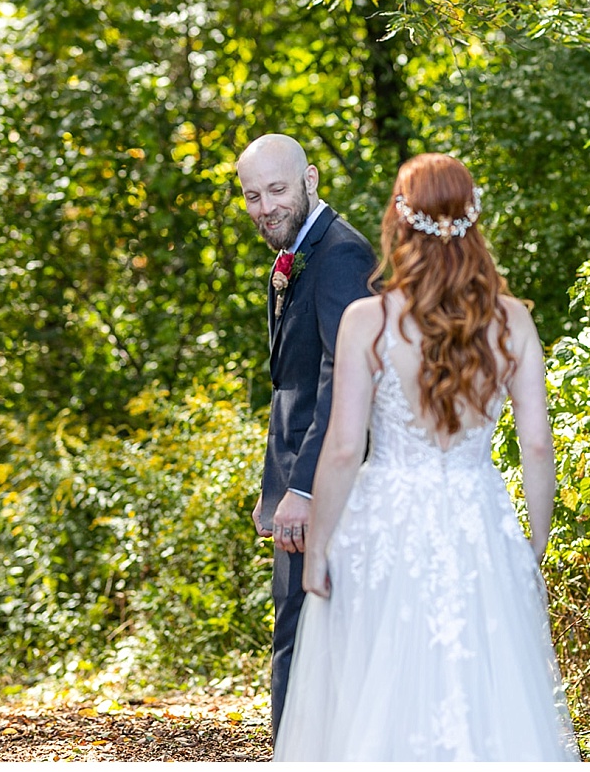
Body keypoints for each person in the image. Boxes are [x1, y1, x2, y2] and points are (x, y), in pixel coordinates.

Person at [273, 153, 580, 761]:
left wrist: (320, 553)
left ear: (399, 219)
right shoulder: (511, 321)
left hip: (387, 520)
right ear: (473, 217)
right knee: (482, 690)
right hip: (478, 521)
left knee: (382, 683)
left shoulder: (370, 320)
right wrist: (533, 547)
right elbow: (538, 444)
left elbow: (340, 448)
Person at [235, 134, 377, 741]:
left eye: (278, 190)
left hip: (323, 487)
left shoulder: (339, 253)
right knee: (301, 628)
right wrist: (275, 485)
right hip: (297, 480)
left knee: (300, 632)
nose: (266, 206)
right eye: (252, 196)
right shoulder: (301, 251)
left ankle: (292, 753)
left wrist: (304, 490)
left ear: (310, 179)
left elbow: (341, 378)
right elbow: (290, 387)